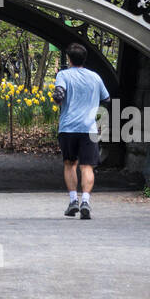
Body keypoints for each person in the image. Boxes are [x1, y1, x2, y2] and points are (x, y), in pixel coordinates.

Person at [54, 42, 111, 220]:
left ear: (69, 59)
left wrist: (58, 99)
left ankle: (73, 201)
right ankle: (85, 201)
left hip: (68, 127)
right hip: (89, 128)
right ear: (85, 59)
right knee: (87, 166)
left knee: (70, 164)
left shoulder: (63, 75)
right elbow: (107, 98)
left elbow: (59, 95)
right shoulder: (95, 77)